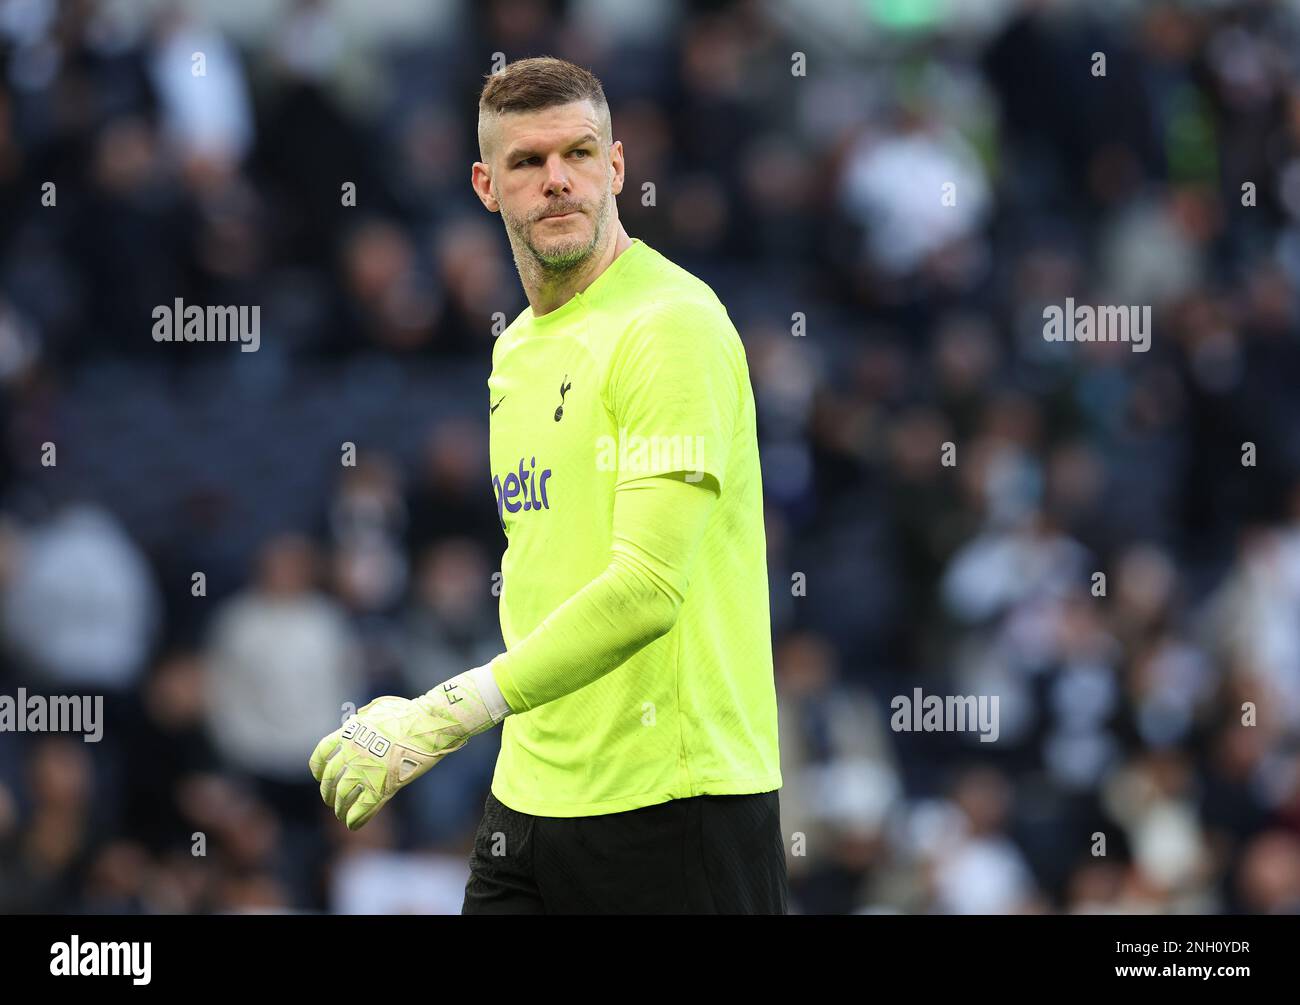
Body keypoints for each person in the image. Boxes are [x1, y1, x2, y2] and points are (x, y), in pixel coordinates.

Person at [309, 55, 785, 914]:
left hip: (674, 803)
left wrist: (443, 711)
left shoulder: (670, 325)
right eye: (528, 163)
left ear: (617, 168)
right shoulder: (515, 349)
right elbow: (545, 570)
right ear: (487, 187)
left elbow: (645, 589)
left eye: (577, 153)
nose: (557, 180)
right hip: (531, 797)